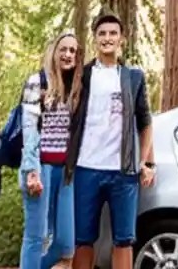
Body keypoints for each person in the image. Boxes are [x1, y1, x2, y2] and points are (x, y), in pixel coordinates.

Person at [66, 13, 156, 269]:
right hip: (85, 169)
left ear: (121, 40)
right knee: (83, 239)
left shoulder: (133, 77)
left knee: (124, 240)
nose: (107, 38)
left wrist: (147, 162)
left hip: (123, 173)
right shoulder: (81, 75)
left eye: (113, 33)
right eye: (102, 33)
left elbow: (146, 122)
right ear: (95, 39)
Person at [19, 32, 83, 269]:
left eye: (73, 51)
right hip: (39, 166)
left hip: (65, 172)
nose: (68, 55)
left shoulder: (76, 87)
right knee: (36, 236)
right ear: (54, 51)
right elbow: (29, 128)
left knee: (66, 243)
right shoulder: (38, 81)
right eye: (63, 49)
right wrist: (31, 170)